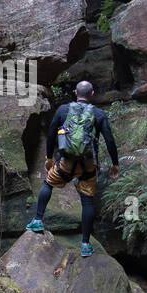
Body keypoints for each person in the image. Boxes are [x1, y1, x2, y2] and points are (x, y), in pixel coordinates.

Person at [26, 80, 119, 256]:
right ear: (91, 94)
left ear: (76, 93)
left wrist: (48, 158)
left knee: (47, 184)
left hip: (65, 163)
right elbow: (109, 140)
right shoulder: (98, 114)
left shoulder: (63, 110)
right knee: (87, 201)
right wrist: (115, 163)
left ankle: (38, 220)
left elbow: (52, 133)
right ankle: (85, 245)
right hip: (88, 165)